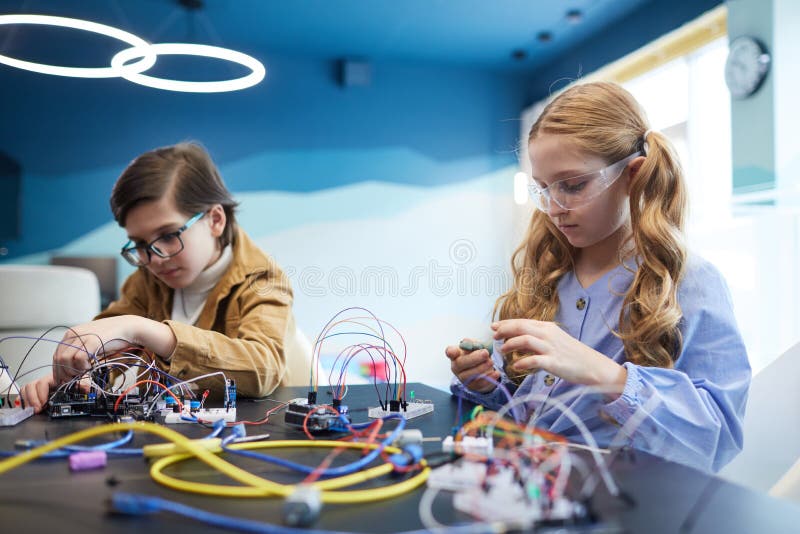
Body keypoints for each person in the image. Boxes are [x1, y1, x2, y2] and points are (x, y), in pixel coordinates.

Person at [446, 82, 750, 473]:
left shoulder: (688, 282)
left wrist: (607, 375)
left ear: (633, 175)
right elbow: (538, 416)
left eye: (573, 186)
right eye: (543, 189)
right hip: (539, 491)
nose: (555, 208)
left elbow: (718, 437)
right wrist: (489, 385)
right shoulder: (549, 276)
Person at [22, 142, 294, 412]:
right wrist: (73, 381)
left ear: (215, 220)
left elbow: (264, 367)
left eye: (168, 235)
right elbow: (109, 352)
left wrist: (142, 329)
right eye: (139, 243)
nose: (154, 258)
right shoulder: (146, 281)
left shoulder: (265, 278)